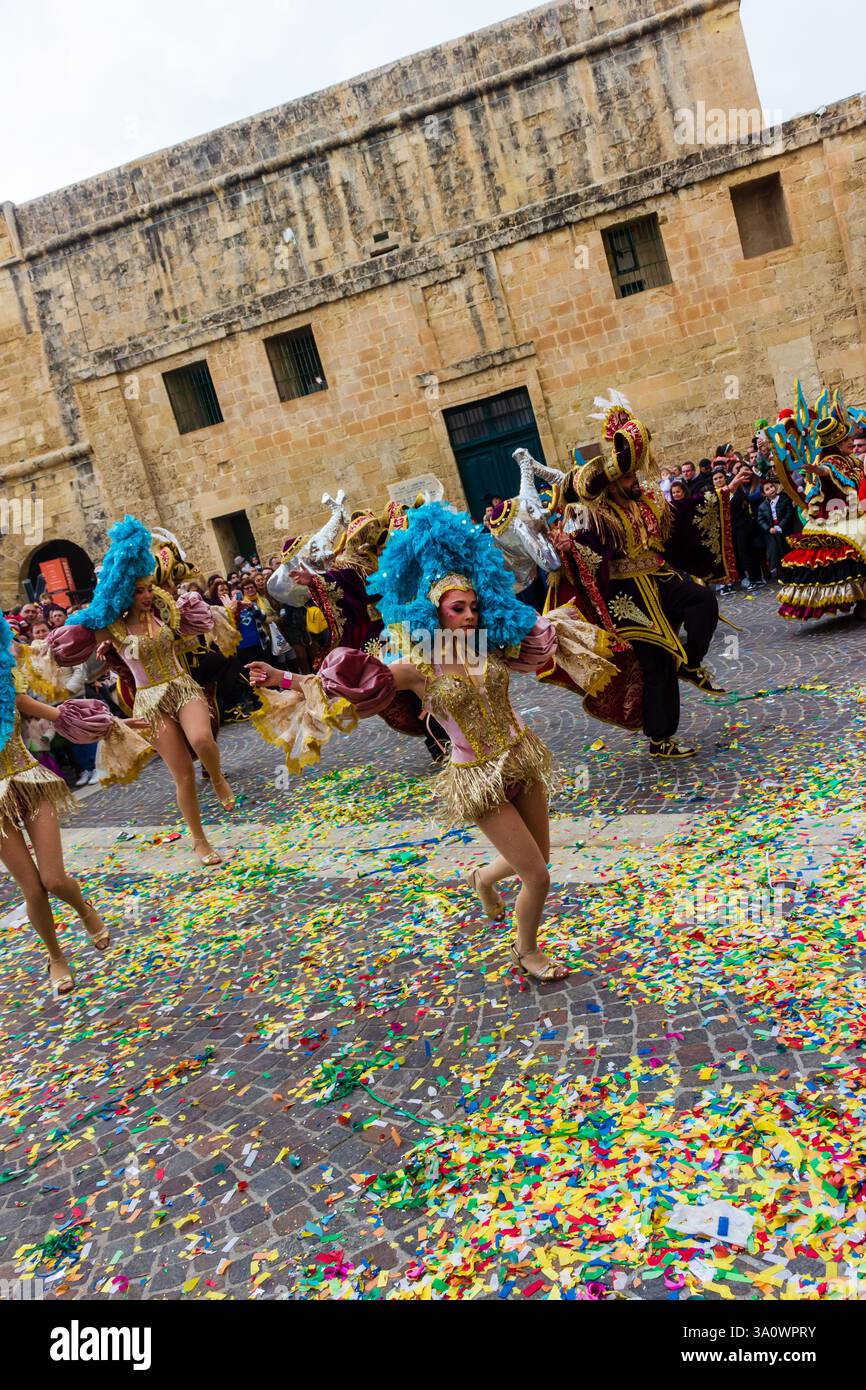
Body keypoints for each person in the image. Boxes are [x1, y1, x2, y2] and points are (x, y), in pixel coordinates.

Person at [247, 501, 616, 983]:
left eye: (473, 606)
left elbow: (545, 637)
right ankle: (527, 951)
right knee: (539, 877)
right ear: (434, 612)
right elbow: (341, 682)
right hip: (478, 777)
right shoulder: (418, 668)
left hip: (521, 756)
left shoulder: (490, 645)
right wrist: (283, 677)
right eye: (457, 608)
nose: (468, 615)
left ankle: (483, 877)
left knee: (539, 859)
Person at [540, 401, 750, 757]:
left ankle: (692, 661)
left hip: (662, 579)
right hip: (628, 597)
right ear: (611, 484)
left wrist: (724, 493)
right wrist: (566, 547)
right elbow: (585, 550)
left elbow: (687, 514)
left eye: (635, 475)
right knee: (656, 662)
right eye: (627, 477)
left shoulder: (649, 503)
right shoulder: (600, 516)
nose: (635, 482)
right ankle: (660, 737)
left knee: (703, 602)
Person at [47, 517, 237, 866]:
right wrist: (103, 657)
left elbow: (198, 623)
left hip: (181, 686)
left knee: (203, 740)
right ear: (124, 592)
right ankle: (199, 841)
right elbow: (77, 653)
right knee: (181, 774)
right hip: (150, 700)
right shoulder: (112, 628)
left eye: (149, 588)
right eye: (139, 590)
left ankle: (219, 778)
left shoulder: (166, 610)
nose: (147, 595)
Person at [0, 614, 153, 997]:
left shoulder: (5, 679)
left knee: (52, 879)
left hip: (29, 781)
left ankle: (83, 909)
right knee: (32, 889)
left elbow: (49, 711)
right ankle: (56, 957)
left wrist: (111, 725)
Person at [778, 407, 866, 620]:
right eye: (847, 440)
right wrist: (817, 471)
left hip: (855, 512)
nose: (851, 442)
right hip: (837, 520)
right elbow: (827, 472)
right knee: (851, 561)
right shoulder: (830, 462)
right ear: (836, 443)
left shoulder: (850, 459)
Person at [757, 479, 798, 579]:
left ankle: (793, 571)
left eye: (771, 487)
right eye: (767, 489)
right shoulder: (762, 507)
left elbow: (789, 514)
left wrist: (781, 525)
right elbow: (761, 519)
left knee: (788, 549)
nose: (771, 489)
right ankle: (782, 572)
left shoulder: (784, 499)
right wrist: (768, 528)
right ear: (763, 494)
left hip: (785, 529)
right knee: (777, 552)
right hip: (773, 532)